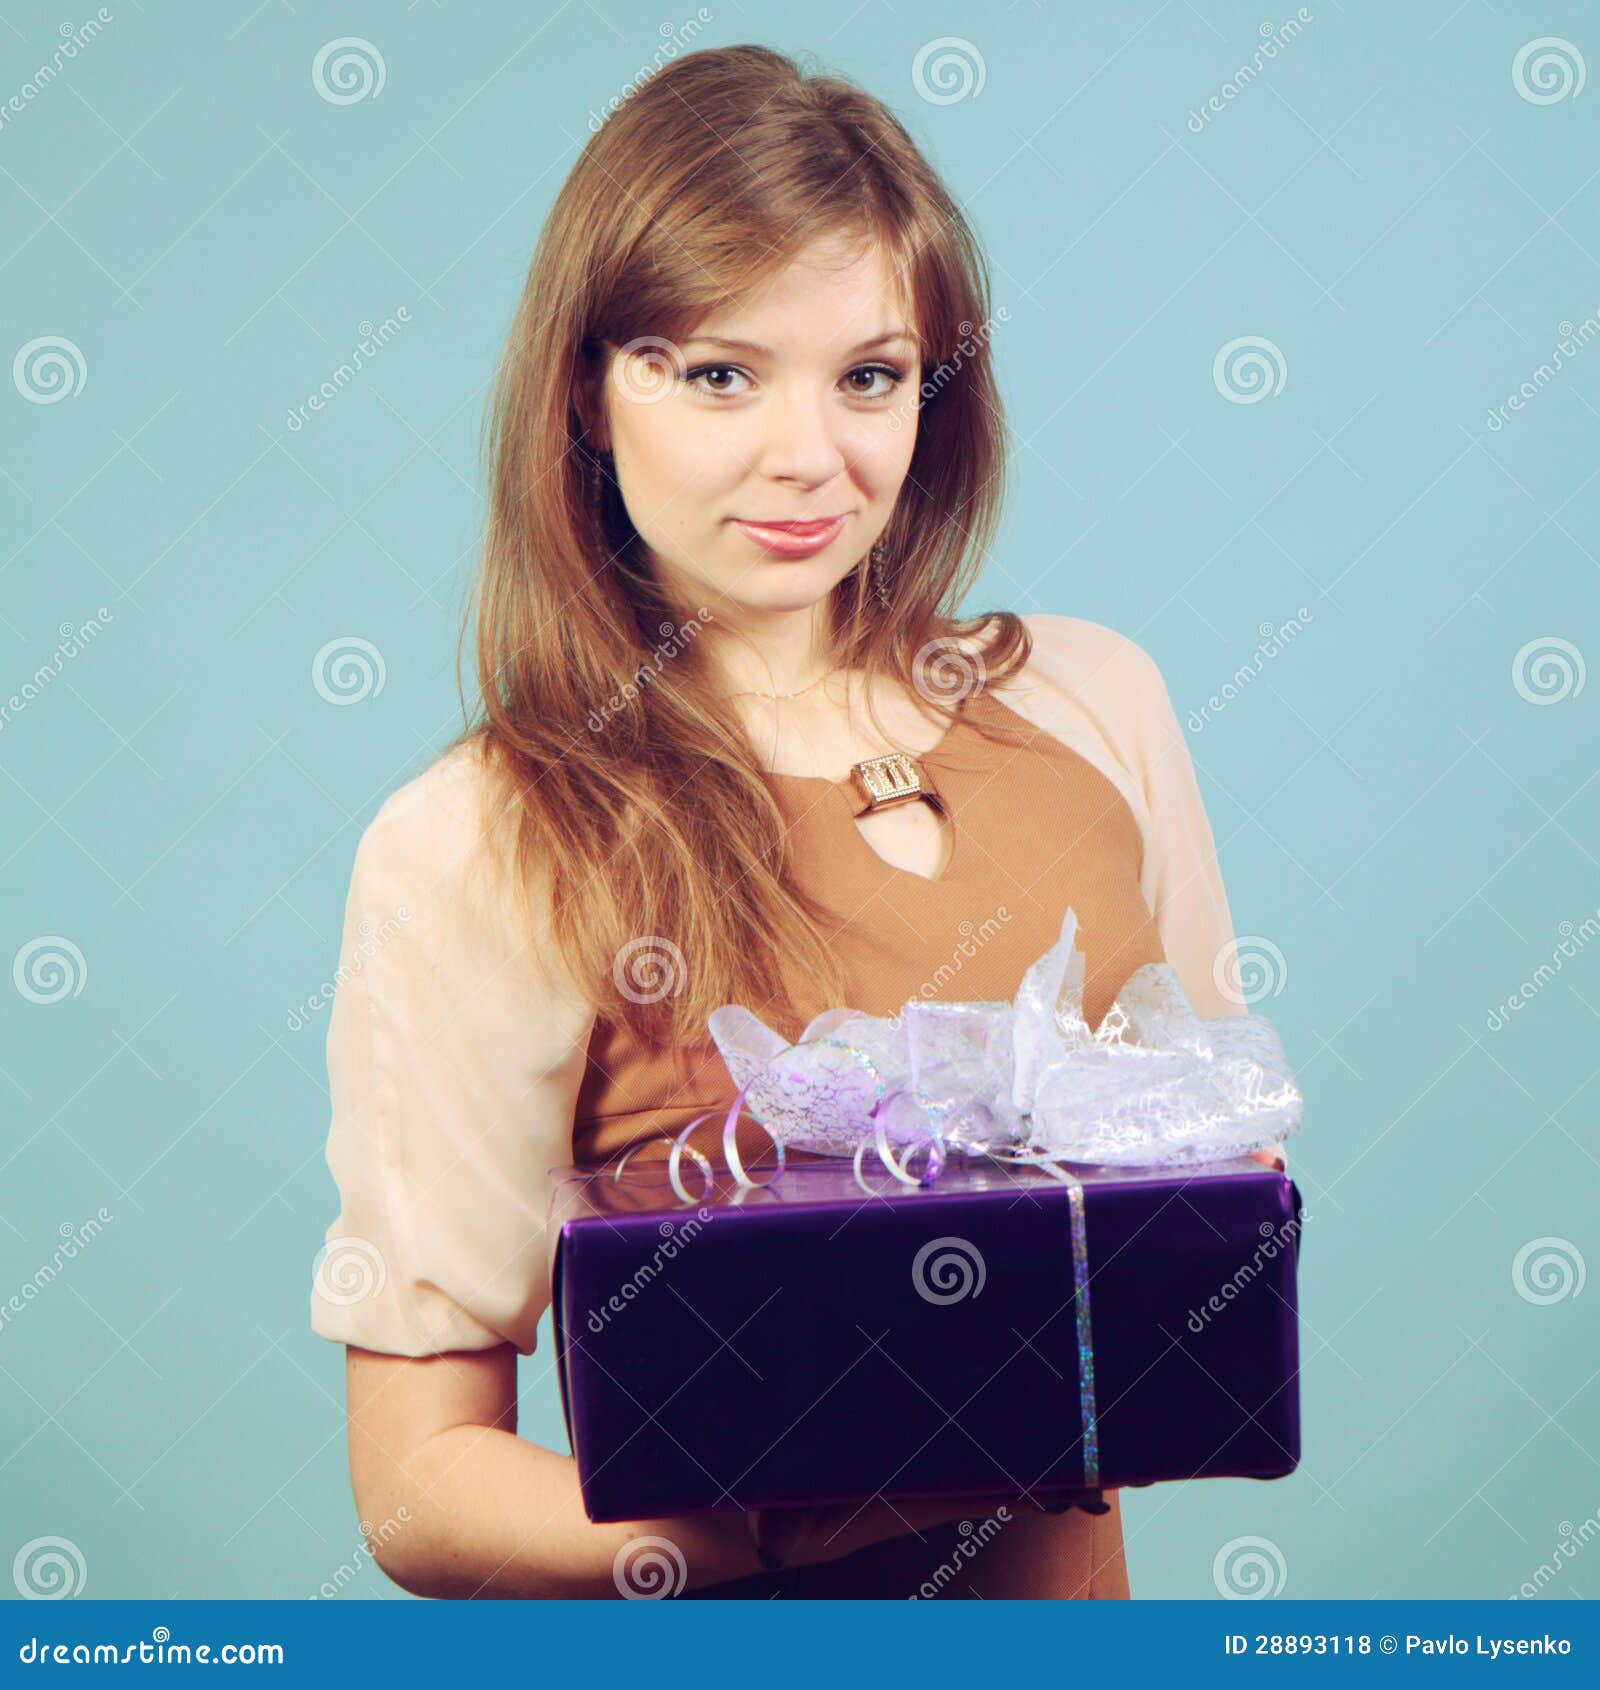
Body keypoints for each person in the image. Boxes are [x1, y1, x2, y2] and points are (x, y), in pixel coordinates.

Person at [308, 41, 1286, 1600]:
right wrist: (762, 1511)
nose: (808, 457)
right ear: (587, 387)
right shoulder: (480, 836)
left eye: (870, 376)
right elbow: (416, 1486)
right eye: (716, 372)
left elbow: (1226, 1191)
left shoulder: (1098, 703)